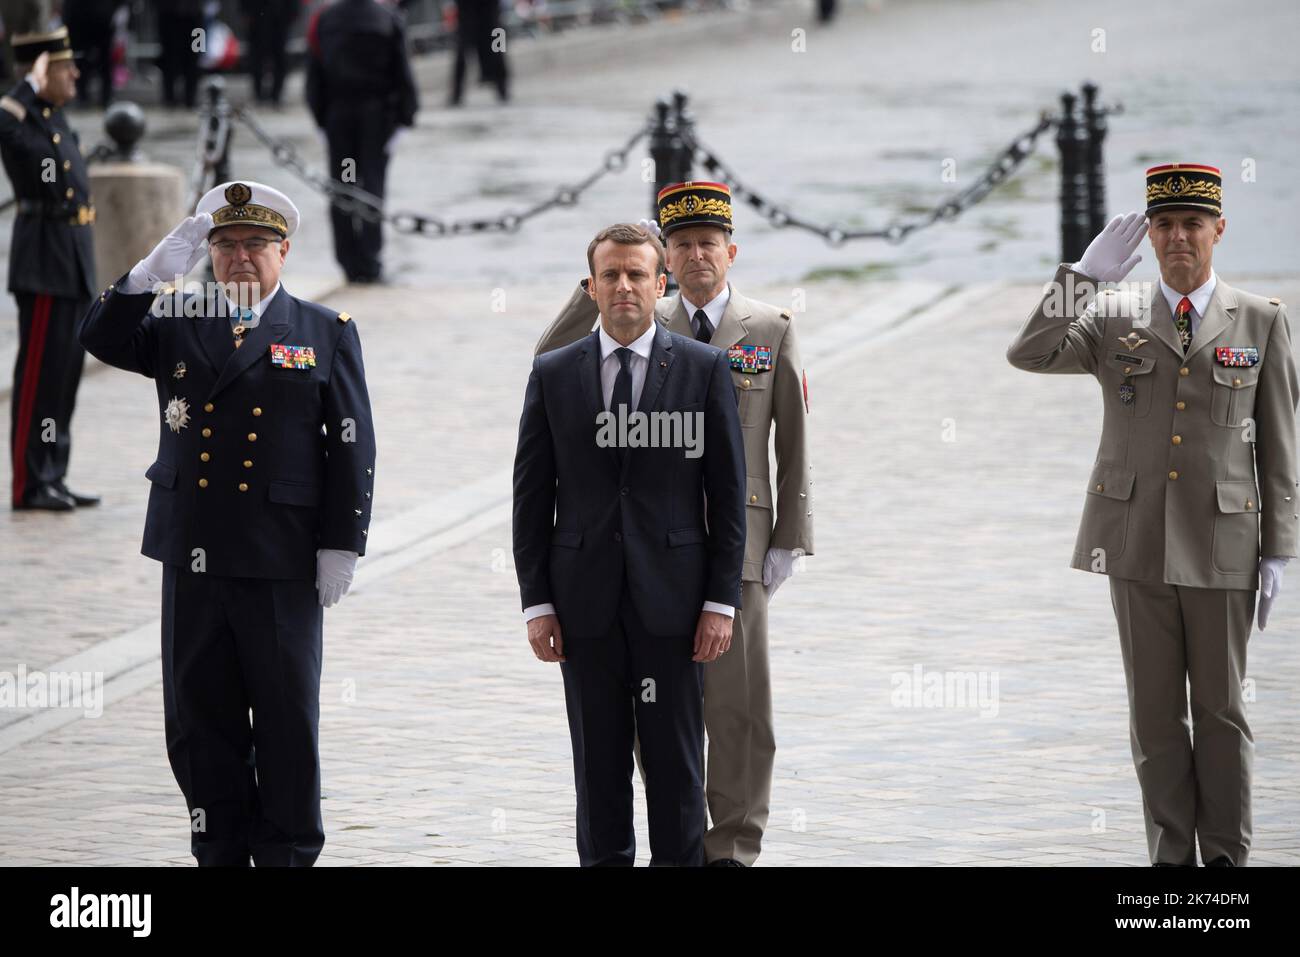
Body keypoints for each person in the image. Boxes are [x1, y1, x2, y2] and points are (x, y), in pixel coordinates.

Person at [78, 180, 378, 866]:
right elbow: (98, 337)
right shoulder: (181, 317)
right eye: (225, 245)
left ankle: (288, 850)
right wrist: (150, 274)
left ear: (284, 251)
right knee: (197, 718)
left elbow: (353, 442)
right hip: (194, 551)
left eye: (255, 245)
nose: (239, 258)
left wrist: (342, 542)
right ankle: (216, 845)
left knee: (284, 720)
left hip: (280, 557)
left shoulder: (322, 329)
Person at [1007, 164, 1298, 866]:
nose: (1177, 238)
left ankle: (1226, 865)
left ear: (1218, 230)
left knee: (1223, 714)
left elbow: (1282, 441)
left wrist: (1280, 547)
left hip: (1224, 543)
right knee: (1155, 715)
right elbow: (1030, 352)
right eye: (1164, 225)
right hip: (1134, 544)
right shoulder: (1113, 316)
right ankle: (1171, 866)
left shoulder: (1261, 318)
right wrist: (1082, 279)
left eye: (1192, 224)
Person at [535, 182, 814, 866]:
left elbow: (796, 442)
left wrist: (790, 538)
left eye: (707, 244)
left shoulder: (768, 327)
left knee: (739, 709)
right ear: (666, 257)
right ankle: (674, 842)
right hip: (641, 551)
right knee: (661, 718)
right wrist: (605, 273)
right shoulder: (636, 308)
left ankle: (733, 849)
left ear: (730, 251)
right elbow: (552, 355)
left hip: (735, 547)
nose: (695, 257)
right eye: (681, 245)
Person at [513, 222, 747, 865]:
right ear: (590, 287)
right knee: (598, 772)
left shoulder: (703, 368)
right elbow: (531, 498)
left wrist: (720, 604)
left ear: (659, 282)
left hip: (674, 606)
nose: (623, 286)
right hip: (582, 605)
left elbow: (728, 498)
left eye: (636, 274)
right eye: (610, 275)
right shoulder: (554, 372)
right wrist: (537, 604)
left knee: (676, 773)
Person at [0, 30, 99, 511]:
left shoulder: (55, 119)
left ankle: (54, 473)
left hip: (73, 258)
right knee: (39, 376)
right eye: (65, 67)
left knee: (65, 376)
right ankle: (29, 483)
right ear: (42, 75)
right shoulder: (19, 120)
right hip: (43, 262)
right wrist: (25, 86)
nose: (75, 74)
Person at [305, 0, 418, 284]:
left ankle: (348, 260)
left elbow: (315, 73)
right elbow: (402, 72)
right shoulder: (387, 18)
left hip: (339, 115)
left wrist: (320, 118)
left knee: (342, 187)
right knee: (372, 186)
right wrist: (405, 117)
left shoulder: (324, 20)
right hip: (375, 116)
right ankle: (370, 258)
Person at [240, 0, 298, 107]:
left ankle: (276, 94)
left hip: (280, 17)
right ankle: (258, 93)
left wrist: (293, 13)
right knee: (257, 58)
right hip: (258, 17)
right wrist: (245, 12)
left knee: (279, 58)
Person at [450, 0, 508, 106]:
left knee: (497, 43)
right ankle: (456, 93)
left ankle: (502, 87)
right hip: (468, 10)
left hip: (488, 10)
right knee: (462, 49)